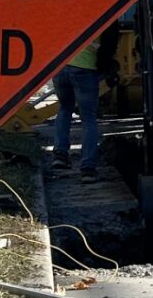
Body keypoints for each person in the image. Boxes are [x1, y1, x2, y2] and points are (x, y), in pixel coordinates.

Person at [52, 22, 121, 181]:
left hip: (60, 65)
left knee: (64, 108)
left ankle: (60, 155)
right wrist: (104, 67)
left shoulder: (70, 6)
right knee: (88, 118)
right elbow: (109, 46)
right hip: (85, 68)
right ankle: (88, 168)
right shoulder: (107, 10)